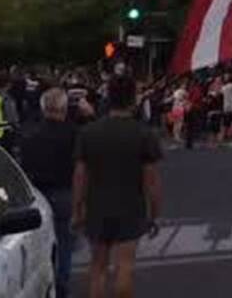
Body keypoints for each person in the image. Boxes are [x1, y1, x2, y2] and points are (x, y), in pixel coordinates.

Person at [73, 75, 162, 298]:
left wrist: (77, 209)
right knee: (125, 266)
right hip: (131, 208)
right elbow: (151, 180)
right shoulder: (144, 134)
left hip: (97, 207)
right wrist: (154, 214)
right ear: (132, 100)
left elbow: (80, 176)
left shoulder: (89, 132)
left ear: (108, 98)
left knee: (98, 267)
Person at [19, 88, 81, 298]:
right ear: (64, 108)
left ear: (43, 107)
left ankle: (41, 283)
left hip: (36, 193)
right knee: (65, 242)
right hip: (64, 191)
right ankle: (61, 284)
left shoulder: (29, 131)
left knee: (38, 242)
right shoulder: (73, 132)